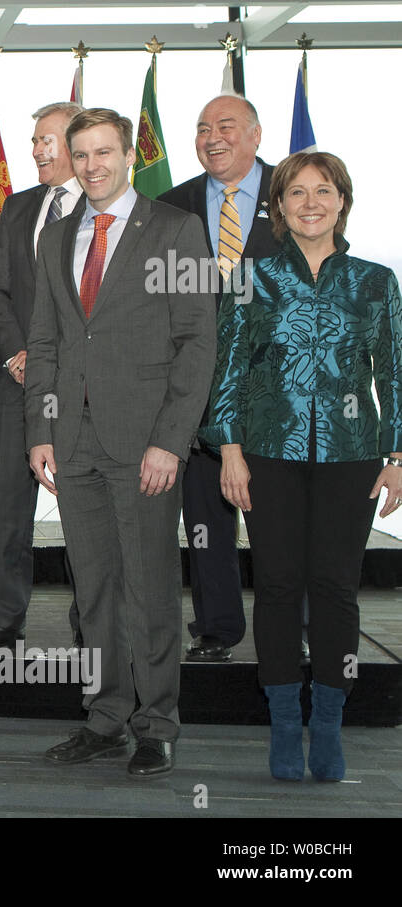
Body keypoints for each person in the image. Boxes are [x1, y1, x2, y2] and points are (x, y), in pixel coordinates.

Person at [200, 151, 402, 782]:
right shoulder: (253, 278)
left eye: (323, 191)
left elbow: (393, 373)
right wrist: (228, 448)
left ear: (342, 200)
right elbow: (228, 370)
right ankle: (286, 722)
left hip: (352, 455)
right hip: (268, 455)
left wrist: (397, 454)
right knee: (281, 587)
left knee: (337, 589)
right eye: (296, 193)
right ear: (279, 207)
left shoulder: (376, 282)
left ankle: (330, 723)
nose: (310, 202)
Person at [25, 109, 214, 777]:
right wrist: (40, 431)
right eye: (81, 153)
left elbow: (198, 341)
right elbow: (44, 344)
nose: (93, 164)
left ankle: (156, 723)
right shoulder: (55, 238)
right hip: (71, 444)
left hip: (144, 446)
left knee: (150, 587)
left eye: (105, 151)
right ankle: (105, 717)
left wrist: (170, 440)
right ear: (70, 160)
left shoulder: (175, 228)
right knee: (95, 591)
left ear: (128, 154)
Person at [159, 93, 278, 663]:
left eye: (226, 126)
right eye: (203, 128)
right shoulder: (171, 204)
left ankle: (293, 627)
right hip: (197, 391)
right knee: (205, 517)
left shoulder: (295, 190)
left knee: (281, 520)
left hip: (281, 389)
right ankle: (216, 627)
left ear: (256, 134)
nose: (213, 137)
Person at [0, 101, 84, 656]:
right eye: (35, 140)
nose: (36, 150)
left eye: (47, 140)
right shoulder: (16, 208)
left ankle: (91, 620)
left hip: (87, 391)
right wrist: (17, 356)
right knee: (9, 510)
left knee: (84, 510)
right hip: (17, 385)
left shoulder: (109, 211)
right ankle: (6, 616)